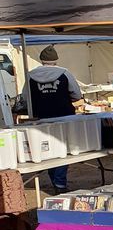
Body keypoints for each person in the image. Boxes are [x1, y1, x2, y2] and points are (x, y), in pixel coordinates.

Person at [21, 45, 83, 192]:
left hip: (40, 117)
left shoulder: (30, 75)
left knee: (47, 148)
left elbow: (25, 98)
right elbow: (77, 94)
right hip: (64, 115)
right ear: (56, 59)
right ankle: (60, 183)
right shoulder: (65, 73)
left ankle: (55, 181)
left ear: (41, 60)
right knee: (63, 148)